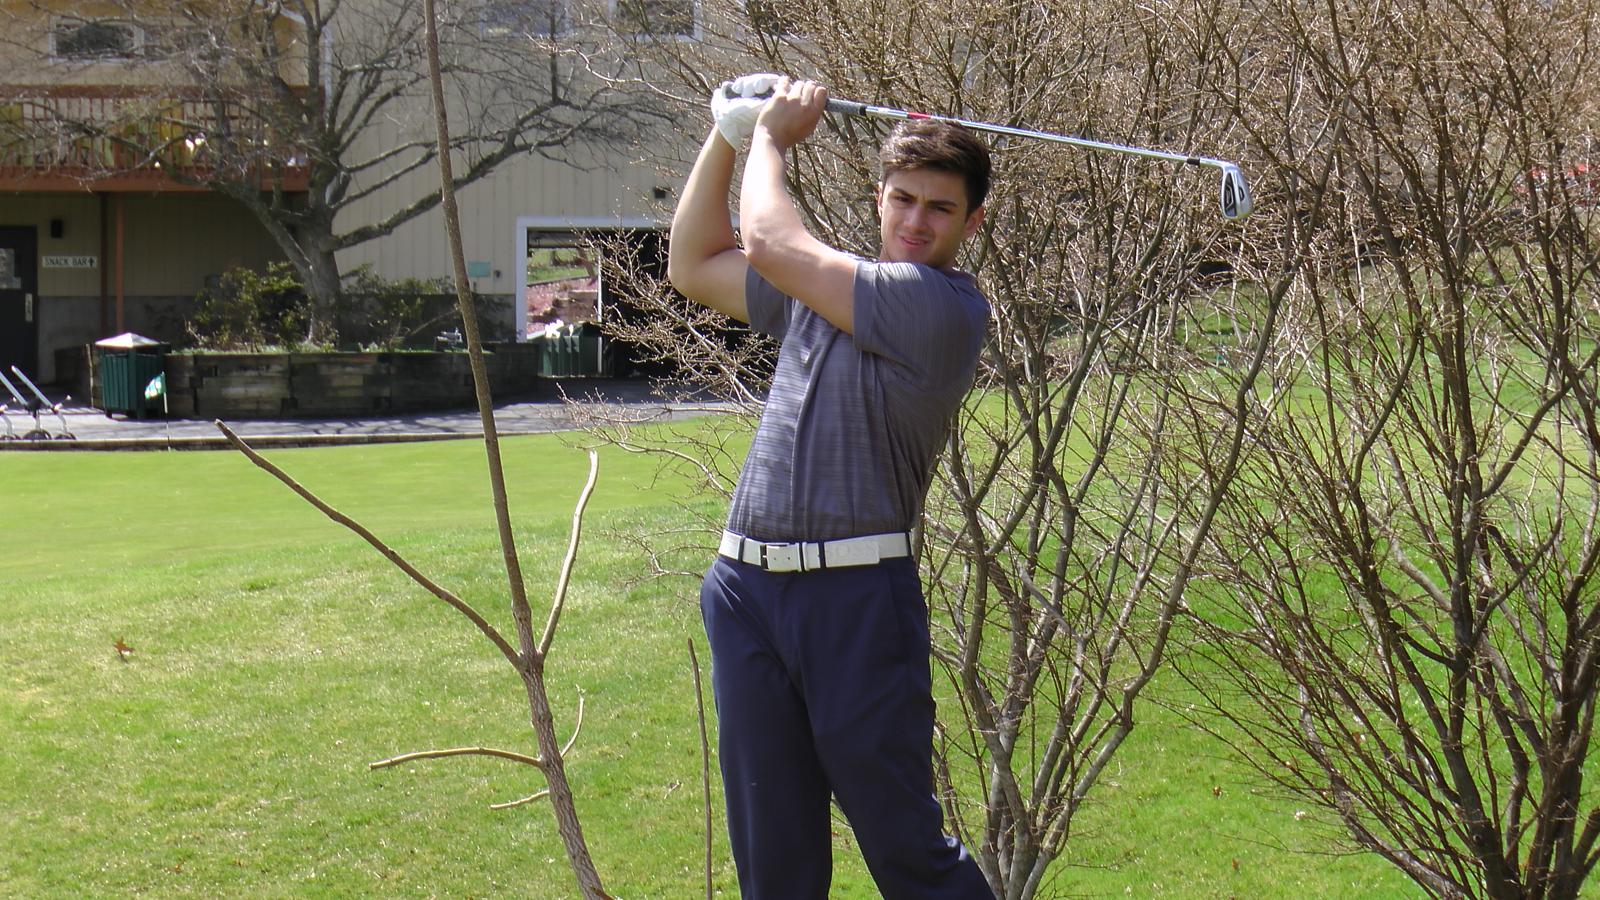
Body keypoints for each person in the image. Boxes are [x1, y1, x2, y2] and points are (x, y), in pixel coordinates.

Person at [668, 73, 996, 899]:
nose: (917, 221)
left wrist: (773, 138)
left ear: (972, 222)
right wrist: (729, 131)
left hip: (855, 598)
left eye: (940, 208)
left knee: (904, 849)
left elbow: (772, 245)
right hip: (744, 589)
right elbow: (693, 260)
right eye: (904, 199)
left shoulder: (942, 306)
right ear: (880, 199)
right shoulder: (824, 294)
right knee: (773, 866)